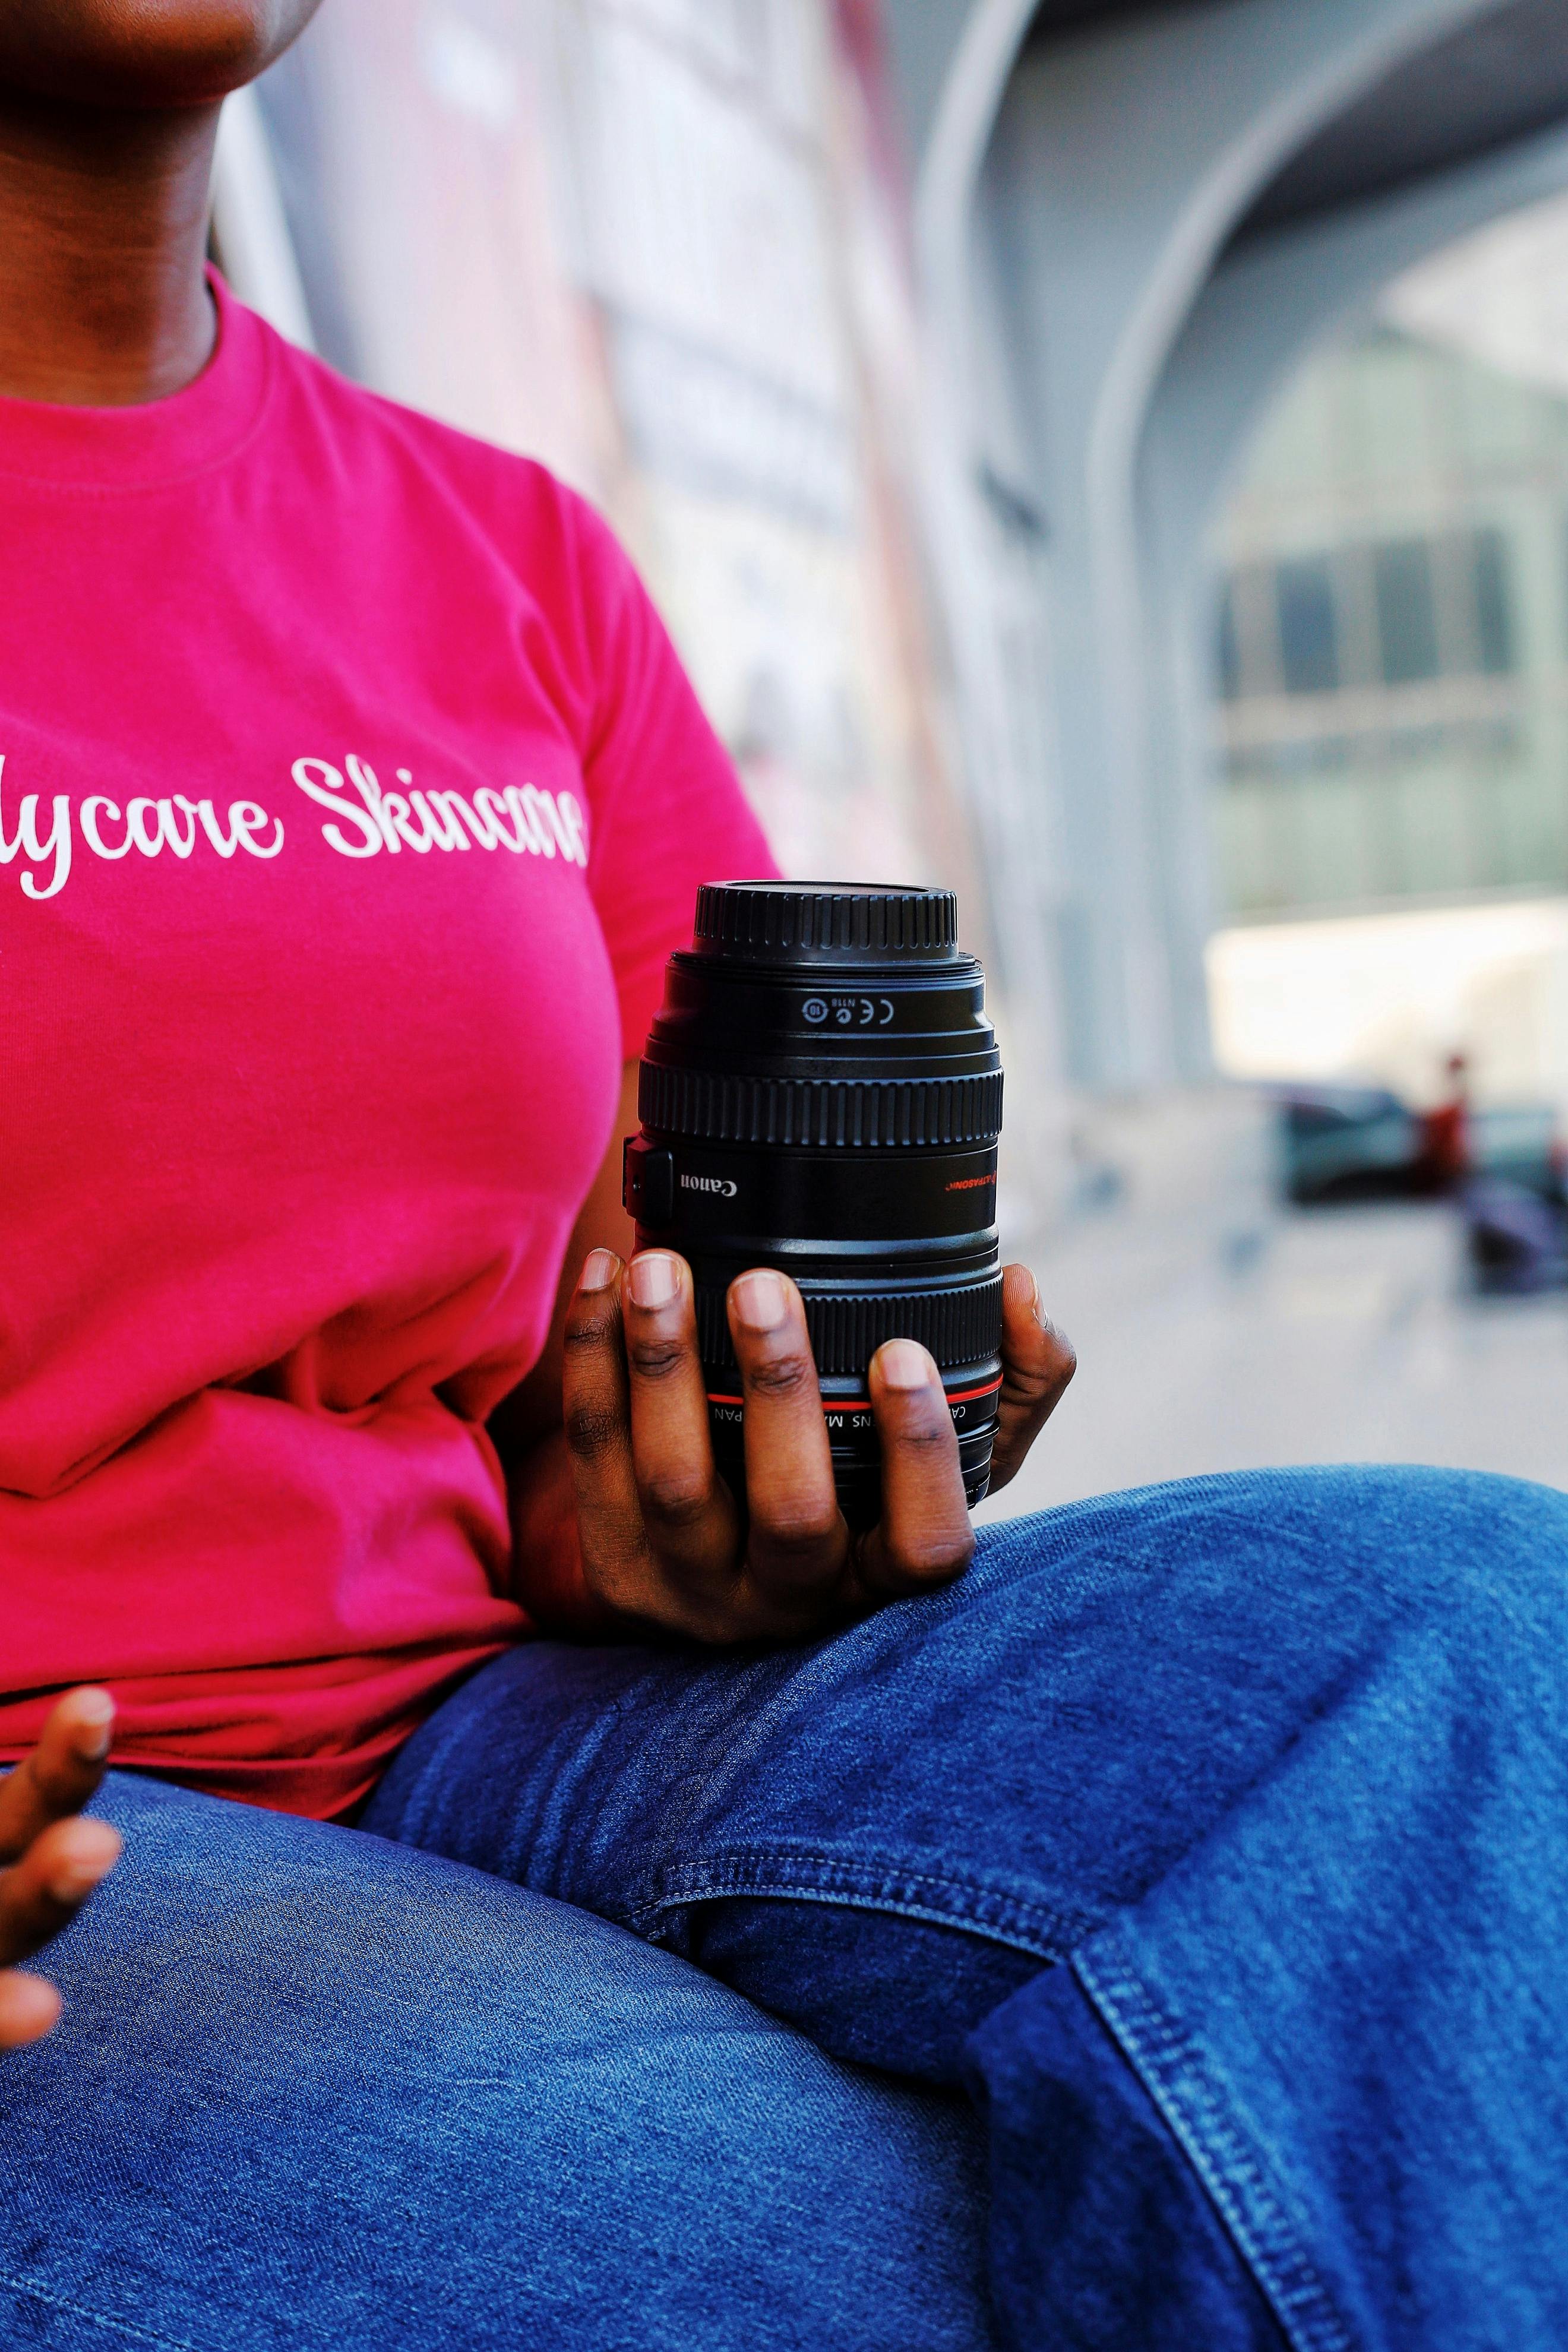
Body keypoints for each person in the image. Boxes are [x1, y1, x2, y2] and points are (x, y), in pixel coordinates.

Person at [1, 8, 1564, 2348]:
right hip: (73, 1825)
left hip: (480, 1717)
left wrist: (682, 1510)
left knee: (1474, 1649)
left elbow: (599, 1342)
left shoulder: (498, 552)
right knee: (871, 2240)